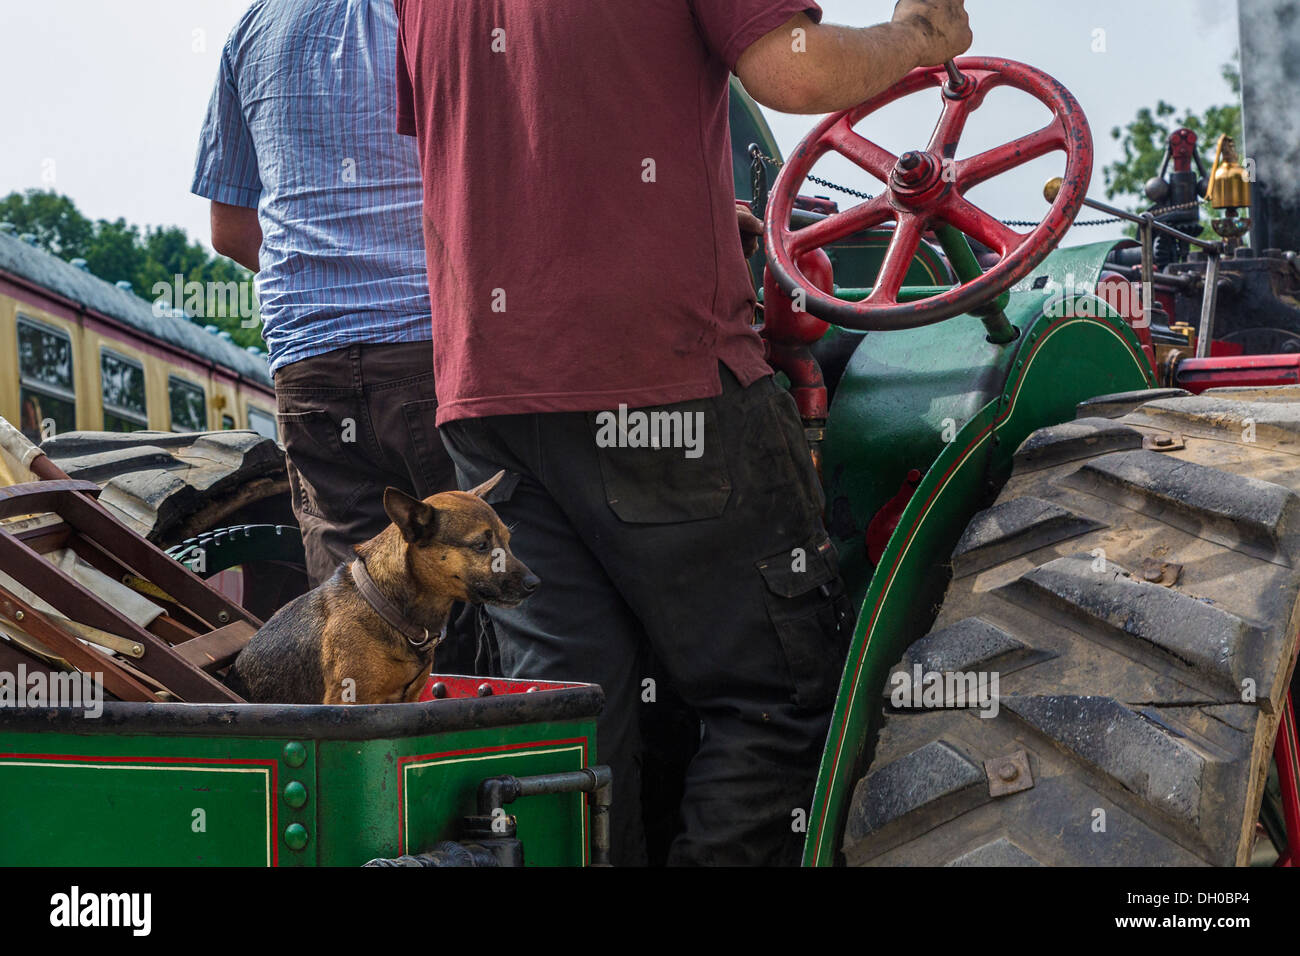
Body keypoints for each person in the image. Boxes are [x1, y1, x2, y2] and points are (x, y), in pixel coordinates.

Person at [395, 0, 971, 866]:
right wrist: (923, 35)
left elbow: (493, 134)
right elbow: (798, 69)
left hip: (488, 398)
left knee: (573, 720)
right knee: (779, 696)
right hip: (656, 382)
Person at [192, 0, 457, 593]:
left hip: (308, 365)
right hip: (430, 347)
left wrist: (323, 280)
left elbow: (228, 229)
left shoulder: (252, 28)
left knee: (358, 609)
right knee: (467, 588)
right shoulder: (440, 16)